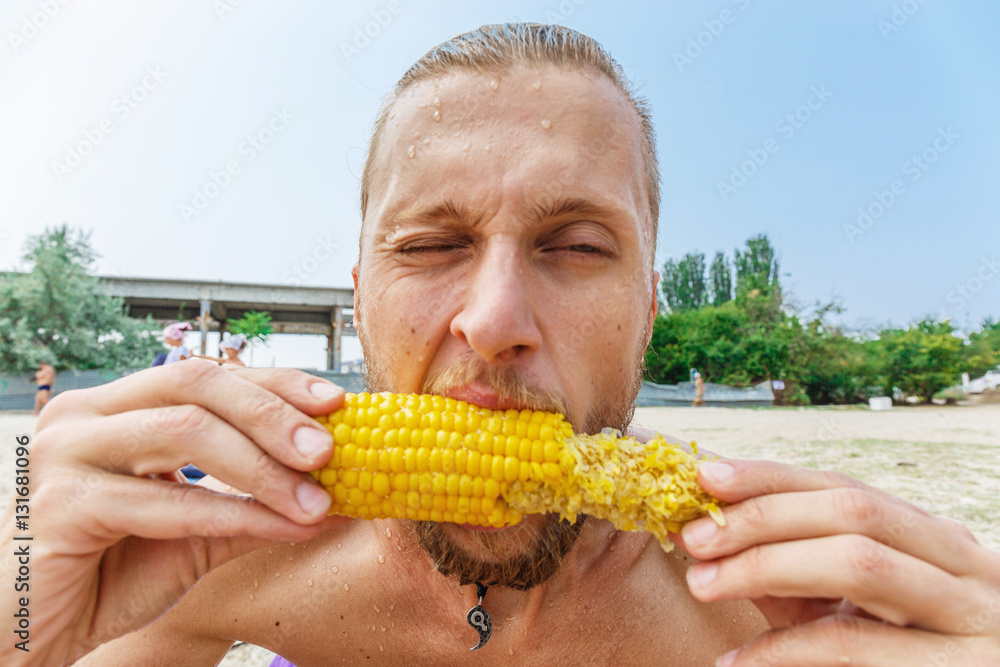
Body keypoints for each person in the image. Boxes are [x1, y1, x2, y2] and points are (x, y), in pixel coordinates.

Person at [4, 24, 999, 667]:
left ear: (650, 307)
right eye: (430, 245)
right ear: (361, 300)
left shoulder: (794, 616)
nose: (493, 319)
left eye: (577, 246)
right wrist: (16, 614)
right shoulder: (210, 554)